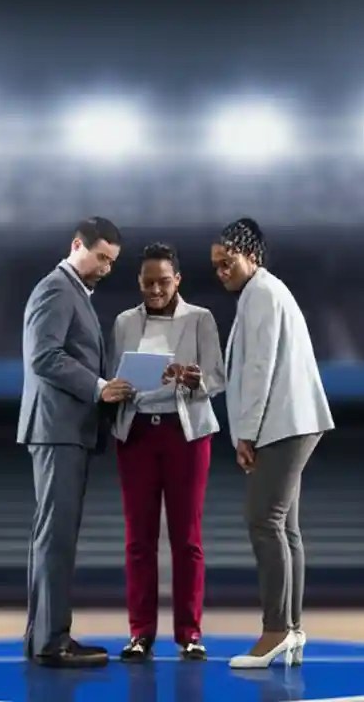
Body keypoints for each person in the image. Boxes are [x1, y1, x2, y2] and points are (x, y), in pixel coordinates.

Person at [210, 218, 334, 669]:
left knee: (262, 520)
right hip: (294, 419)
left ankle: (275, 630)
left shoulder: (261, 294)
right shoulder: (265, 291)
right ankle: (294, 630)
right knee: (285, 528)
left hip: (283, 421)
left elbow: (259, 368)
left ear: (253, 256)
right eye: (217, 265)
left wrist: (246, 431)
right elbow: (245, 367)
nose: (221, 270)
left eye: (228, 261)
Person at [17, 216, 135, 668]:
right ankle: (51, 642)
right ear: (76, 245)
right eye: (101, 256)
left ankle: (42, 637)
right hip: (58, 430)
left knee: (53, 536)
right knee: (56, 538)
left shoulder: (73, 294)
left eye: (112, 261)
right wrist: (99, 387)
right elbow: (44, 357)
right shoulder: (56, 288)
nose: (106, 268)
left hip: (67, 430)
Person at [109, 243, 226, 662]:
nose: (155, 289)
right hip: (136, 433)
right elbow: (113, 376)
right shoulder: (124, 322)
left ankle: (189, 634)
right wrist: (119, 385)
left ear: (178, 279)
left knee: (186, 539)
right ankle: (140, 634)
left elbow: (217, 376)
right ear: (138, 282)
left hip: (186, 434)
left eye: (163, 281)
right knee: (138, 540)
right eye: (147, 283)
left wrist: (193, 379)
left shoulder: (200, 319)